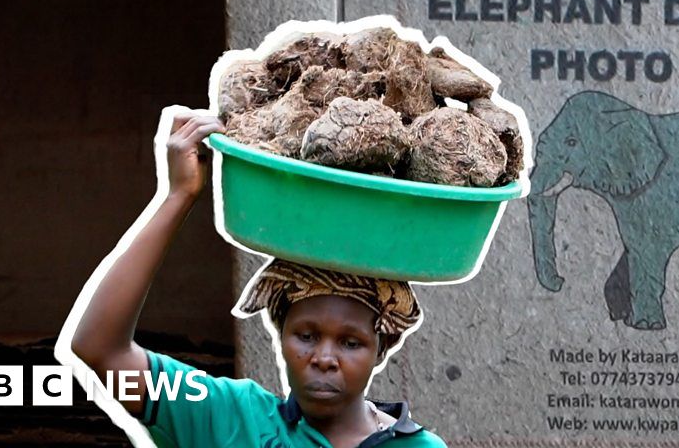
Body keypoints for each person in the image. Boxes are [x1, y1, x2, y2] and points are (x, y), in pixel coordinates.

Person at [70, 111, 447, 448]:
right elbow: (101, 350)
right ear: (279, 331)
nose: (324, 358)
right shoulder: (230, 418)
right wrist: (178, 196)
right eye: (307, 335)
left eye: (351, 342)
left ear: (381, 349)